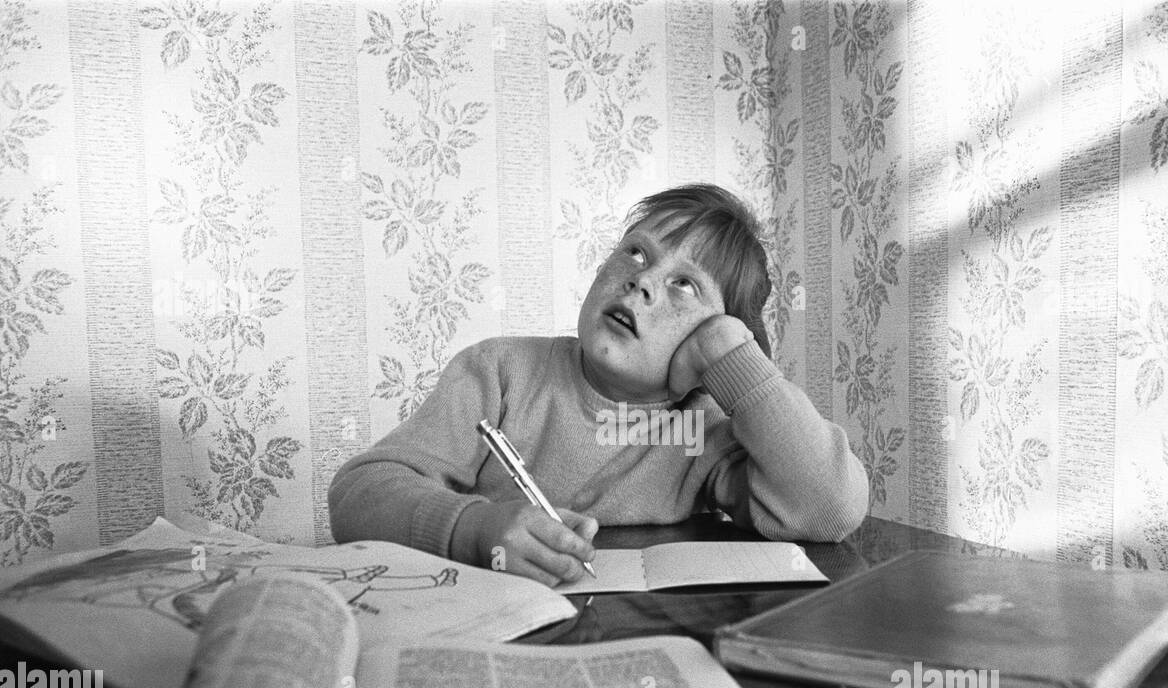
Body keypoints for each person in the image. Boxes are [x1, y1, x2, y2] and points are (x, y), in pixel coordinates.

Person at [329, 184, 870, 586]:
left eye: (685, 285)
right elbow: (357, 495)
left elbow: (831, 506)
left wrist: (731, 355)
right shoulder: (497, 372)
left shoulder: (701, 430)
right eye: (635, 253)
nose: (642, 280)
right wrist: (473, 527)